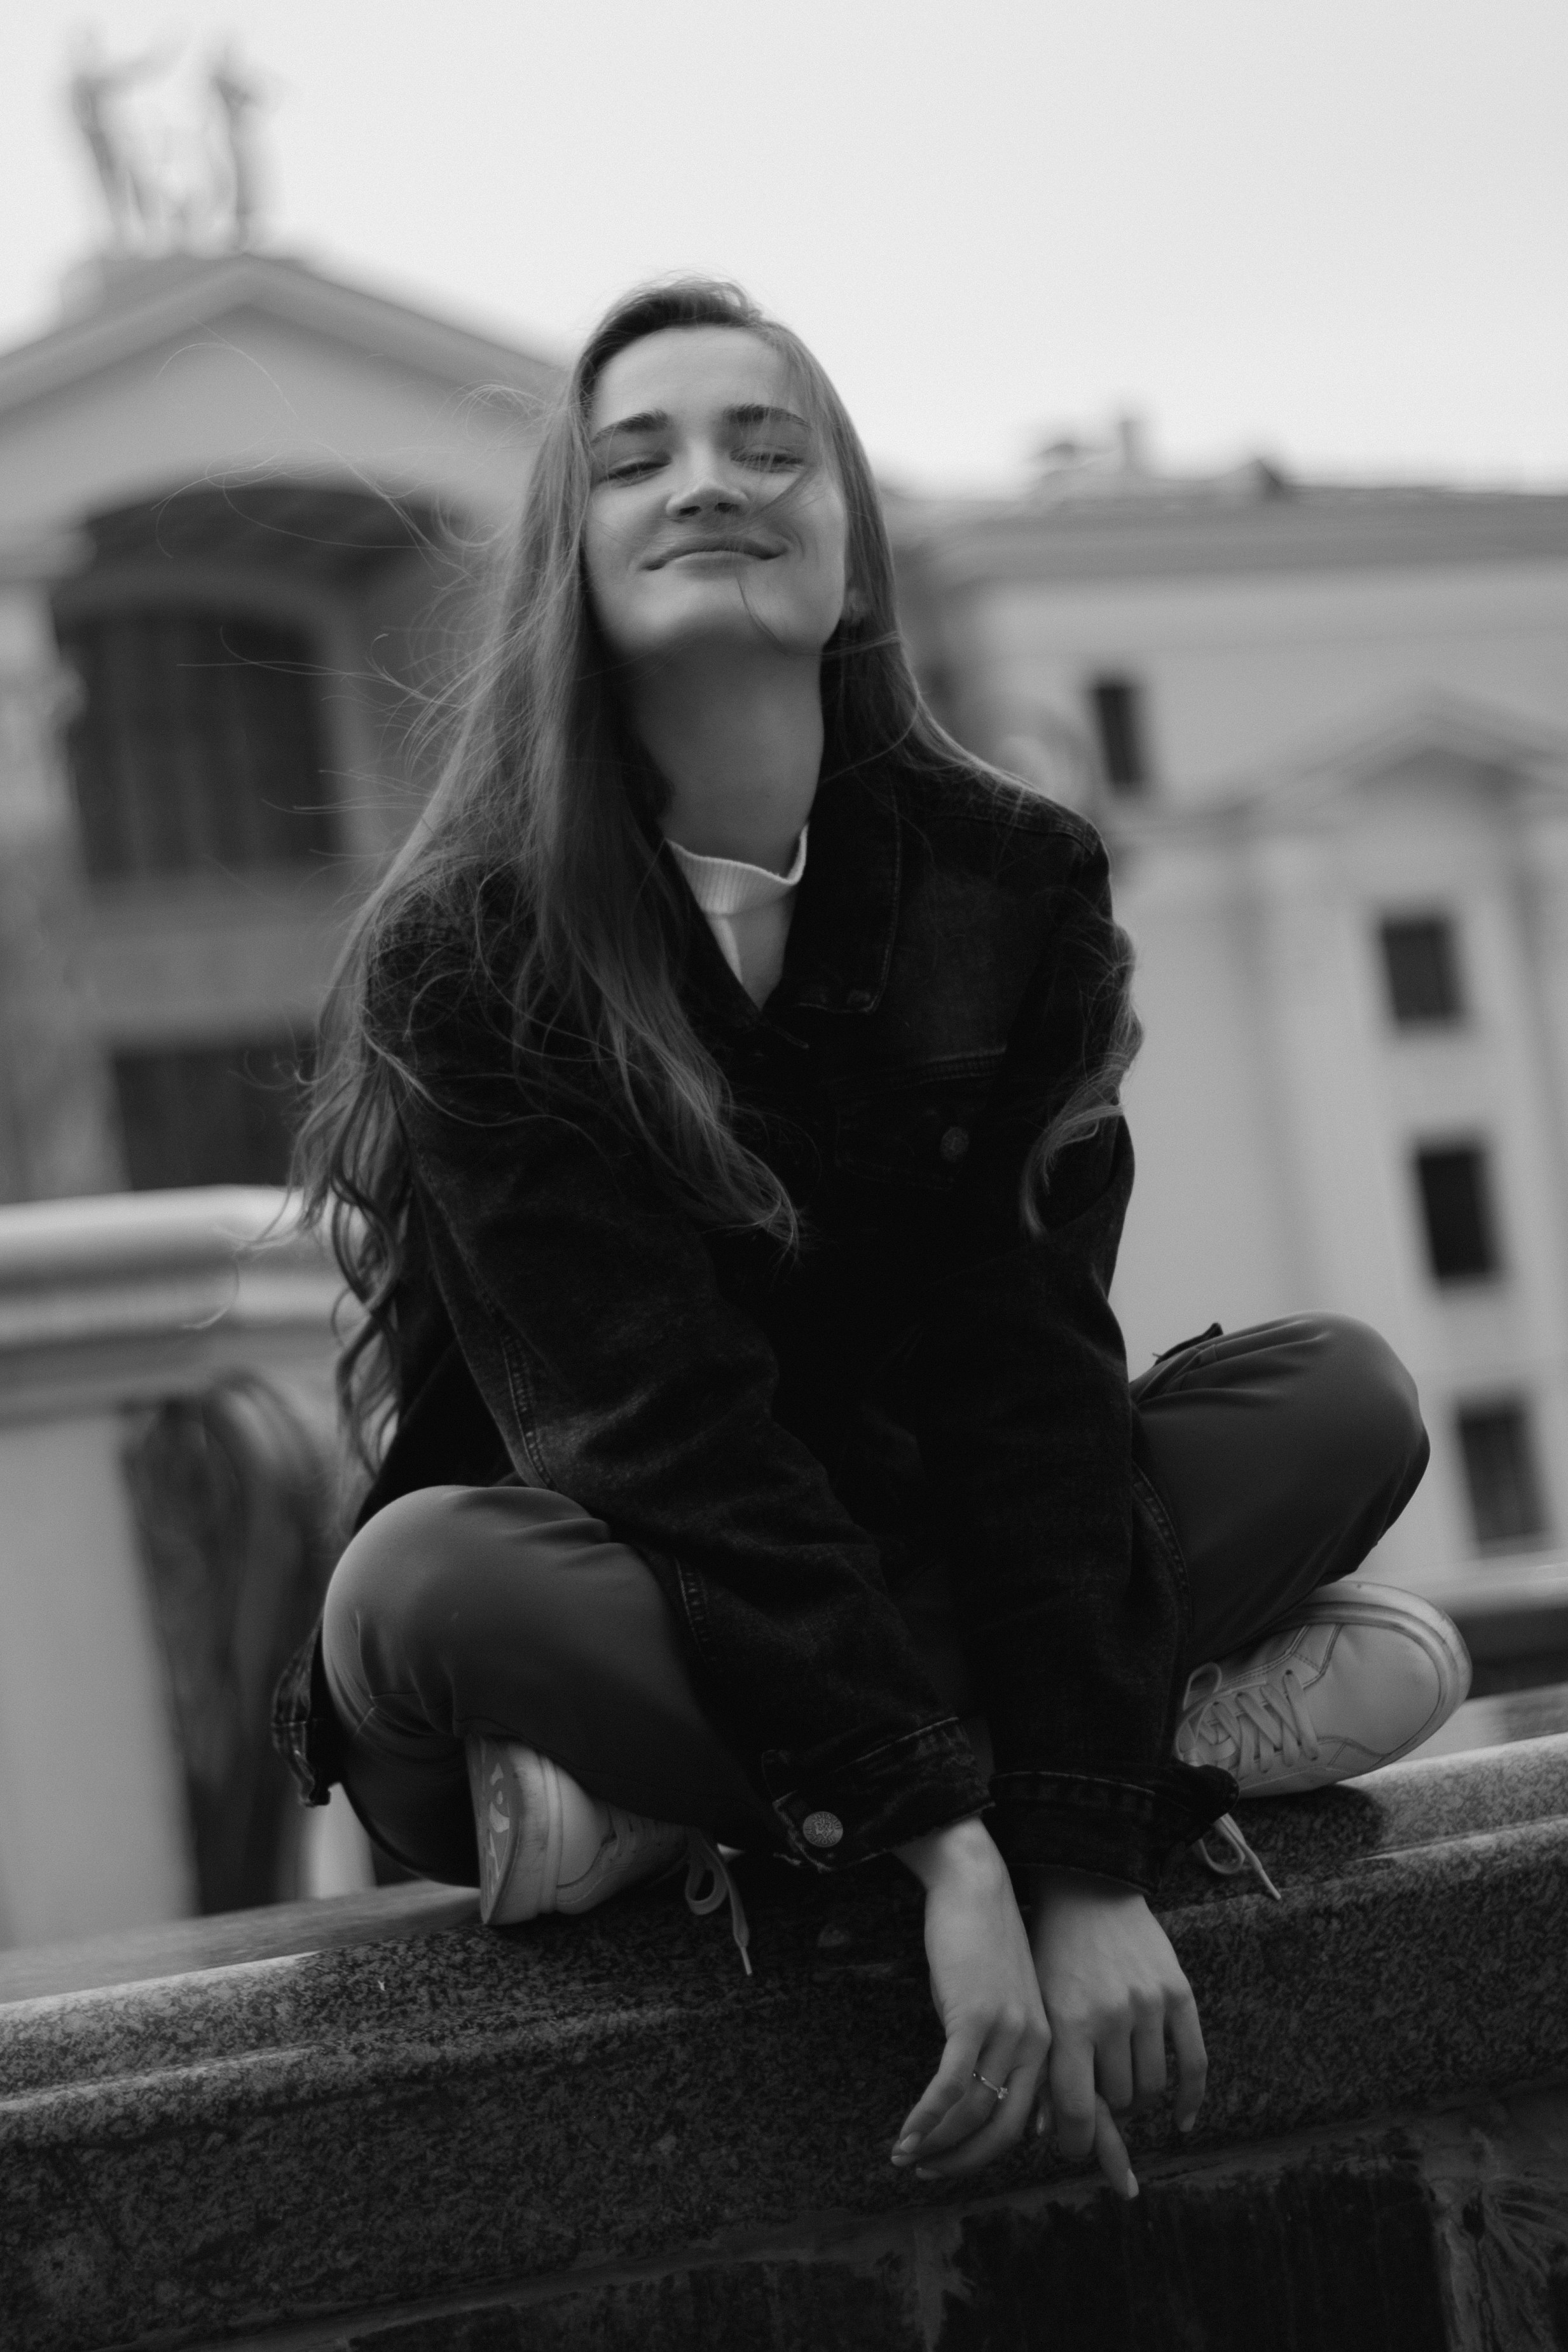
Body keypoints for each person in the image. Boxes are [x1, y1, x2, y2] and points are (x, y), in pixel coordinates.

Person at [273, 279, 1467, 2201]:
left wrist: (1078, 1867)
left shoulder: (1009, 875)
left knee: (1339, 1396)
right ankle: (1142, 1730)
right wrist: (965, 1843)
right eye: (635, 454)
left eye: (770, 443)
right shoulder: (470, 945)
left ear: (849, 544)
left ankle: (670, 1824)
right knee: (419, 1578)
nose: (708, 483)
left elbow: (1030, 1371)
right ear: (567, 560)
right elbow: (657, 1432)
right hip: (605, 1583)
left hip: (910, 1544)